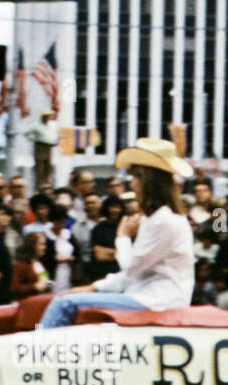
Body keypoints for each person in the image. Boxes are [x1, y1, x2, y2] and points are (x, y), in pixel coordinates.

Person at [40, 138, 194, 329]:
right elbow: (132, 273)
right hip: (145, 296)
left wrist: (123, 236)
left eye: (136, 178)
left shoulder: (164, 221)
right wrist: (93, 287)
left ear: (148, 181)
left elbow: (130, 268)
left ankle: (36, 356)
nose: (132, 185)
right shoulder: (154, 219)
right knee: (67, 299)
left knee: (63, 304)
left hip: (158, 301)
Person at [10, 231, 52, 301]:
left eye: (44, 245)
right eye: (41, 244)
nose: (44, 247)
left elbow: (44, 279)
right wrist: (34, 287)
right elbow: (15, 288)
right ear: (32, 245)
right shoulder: (20, 265)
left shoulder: (40, 264)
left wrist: (47, 284)